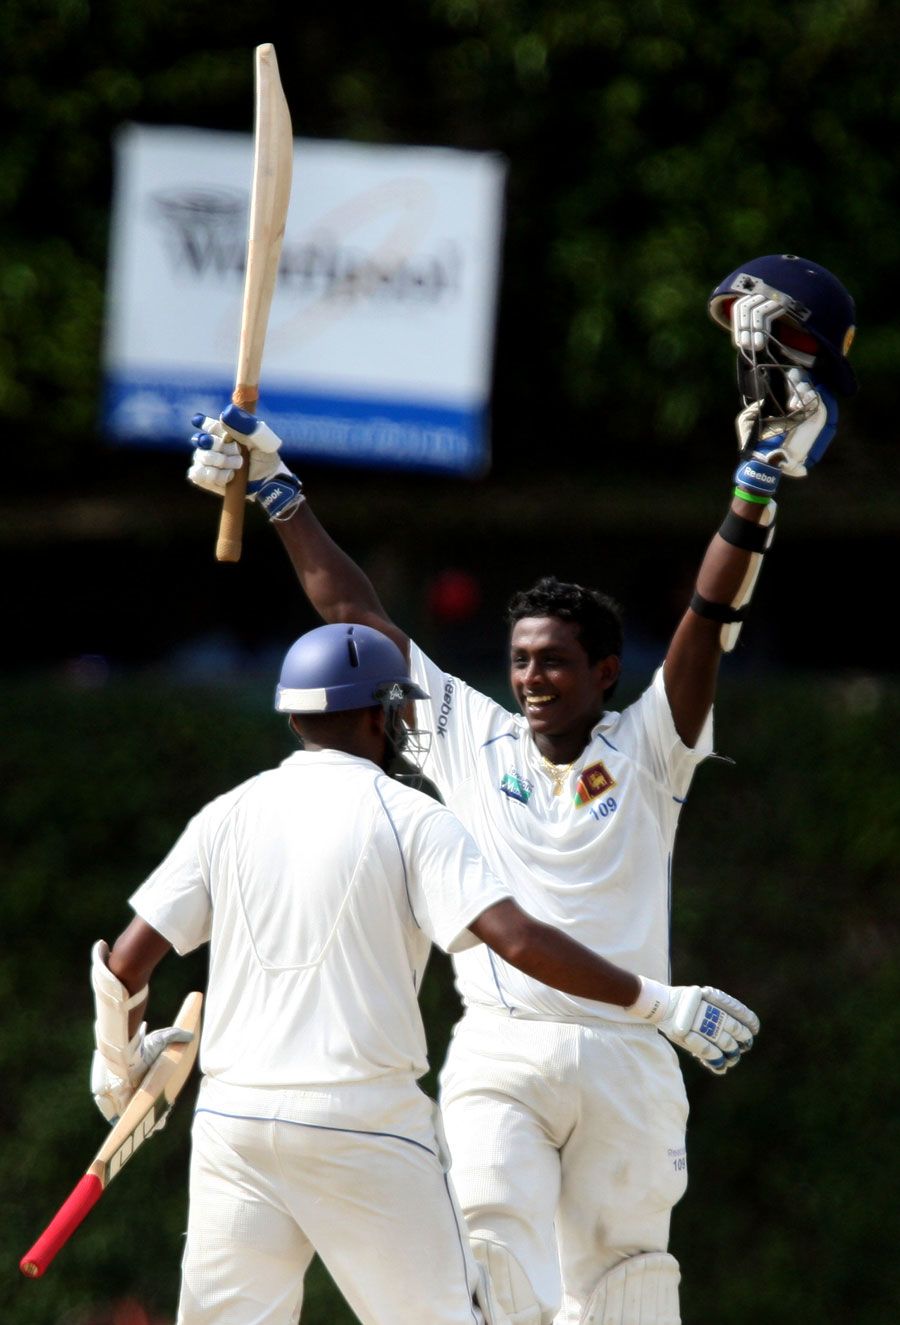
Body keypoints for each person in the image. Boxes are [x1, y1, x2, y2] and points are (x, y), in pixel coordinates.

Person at [183, 254, 856, 1325]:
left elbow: (704, 622)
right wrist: (276, 489)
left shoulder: (652, 745)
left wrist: (758, 485)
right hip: (501, 1045)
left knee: (626, 1283)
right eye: (521, 660)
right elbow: (357, 619)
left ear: (603, 673)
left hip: (632, 1054)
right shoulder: (465, 735)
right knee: (494, 1255)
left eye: (555, 662)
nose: (532, 677)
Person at [91, 622, 758, 1325]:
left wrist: (117, 1062)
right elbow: (520, 940)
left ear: (293, 713)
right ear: (381, 713)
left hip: (236, 1123)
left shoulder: (224, 816)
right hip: (364, 1123)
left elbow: (124, 965)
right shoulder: (412, 818)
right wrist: (660, 1003)